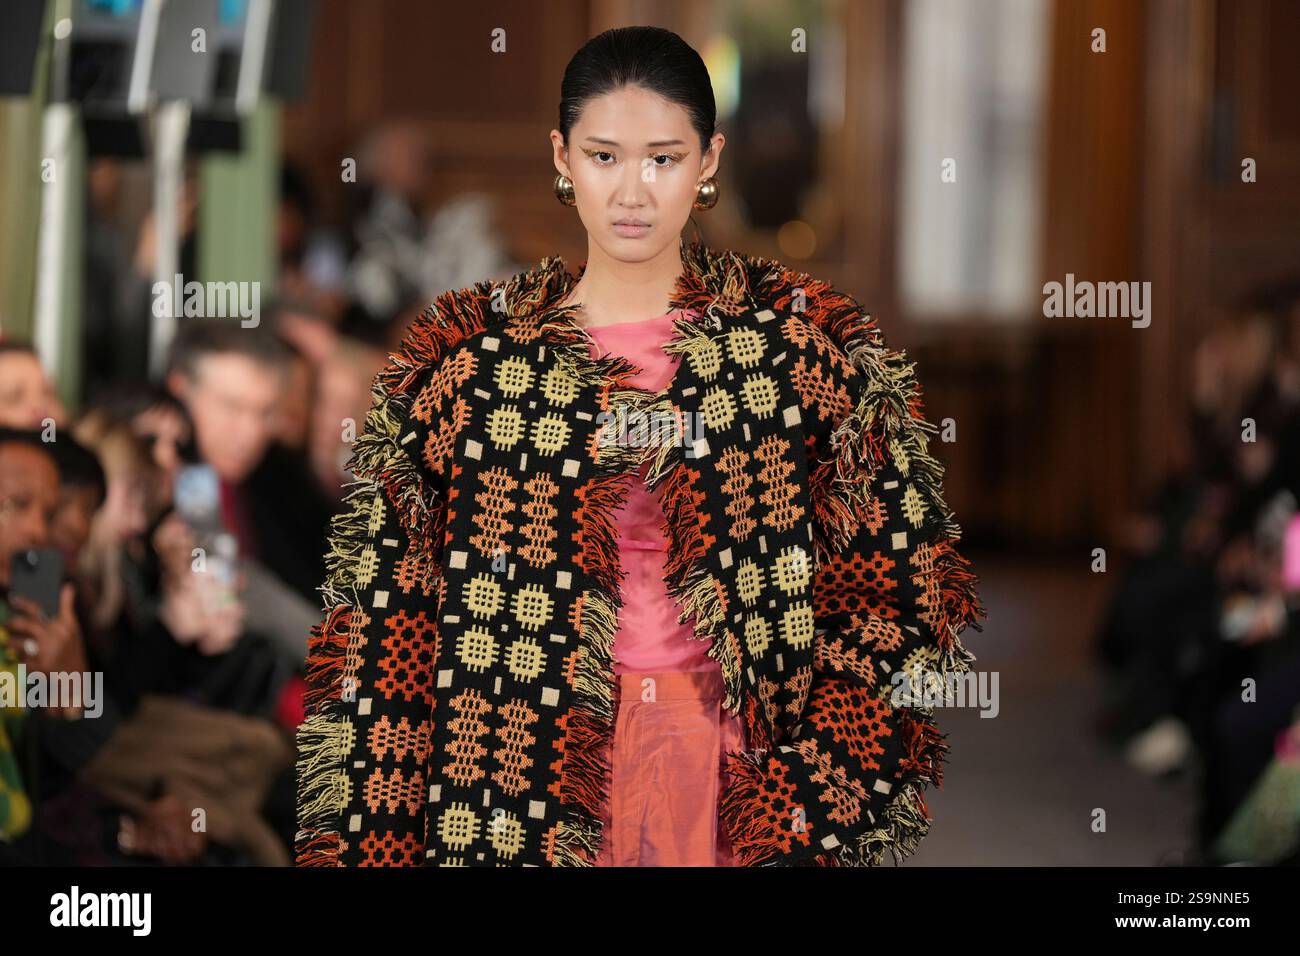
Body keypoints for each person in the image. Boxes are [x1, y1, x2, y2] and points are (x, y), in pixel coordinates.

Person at [296, 25, 984, 868]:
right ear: (561, 157)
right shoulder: (473, 364)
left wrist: (824, 776)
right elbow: (387, 620)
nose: (632, 191)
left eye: (663, 157)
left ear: (709, 160)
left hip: (731, 756)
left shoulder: (795, 355)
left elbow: (902, 579)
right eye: (604, 156)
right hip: (520, 755)